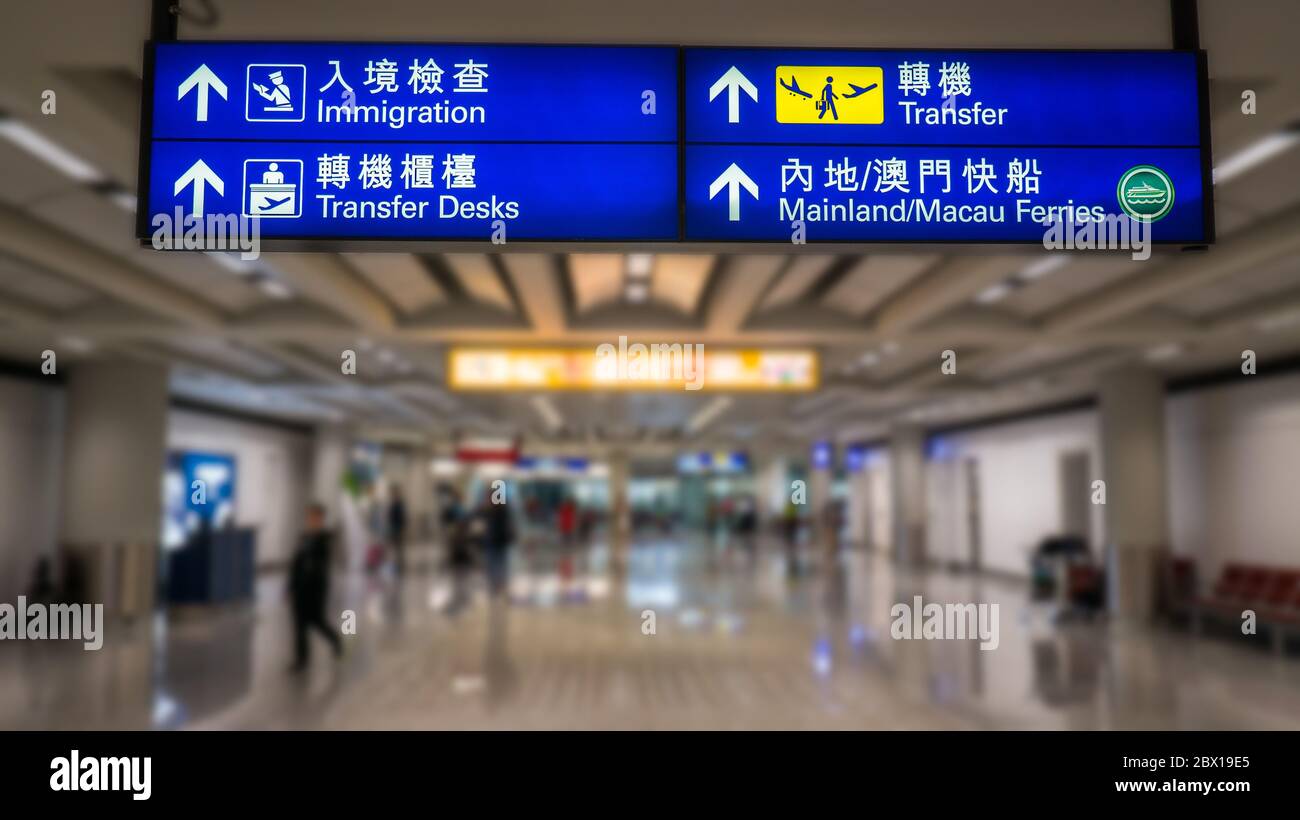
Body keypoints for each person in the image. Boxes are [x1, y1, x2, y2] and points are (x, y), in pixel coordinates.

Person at [288, 503, 342, 672]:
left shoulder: (323, 539)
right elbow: (295, 562)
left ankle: (335, 639)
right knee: (299, 624)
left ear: (321, 519)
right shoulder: (304, 537)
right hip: (300, 587)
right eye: (310, 517)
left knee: (317, 621)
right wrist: (291, 585)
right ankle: (301, 660)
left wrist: (312, 577)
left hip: (315, 588)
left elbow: (321, 565)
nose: (312, 520)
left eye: (315, 517)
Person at [481, 488, 516, 599]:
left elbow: (502, 526)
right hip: (496, 541)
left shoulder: (498, 510)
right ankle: (497, 584)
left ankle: (498, 585)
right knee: (496, 563)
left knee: (497, 563)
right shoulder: (497, 510)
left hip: (497, 541)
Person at [388, 486, 408, 575]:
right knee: (395, 547)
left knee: (399, 547)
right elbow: (390, 516)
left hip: (398, 528)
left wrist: (402, 528)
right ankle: (397, 563)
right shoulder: (393, 504)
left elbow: (402, 517)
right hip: (393, 527)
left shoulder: (399, 504)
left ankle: (400, 564)